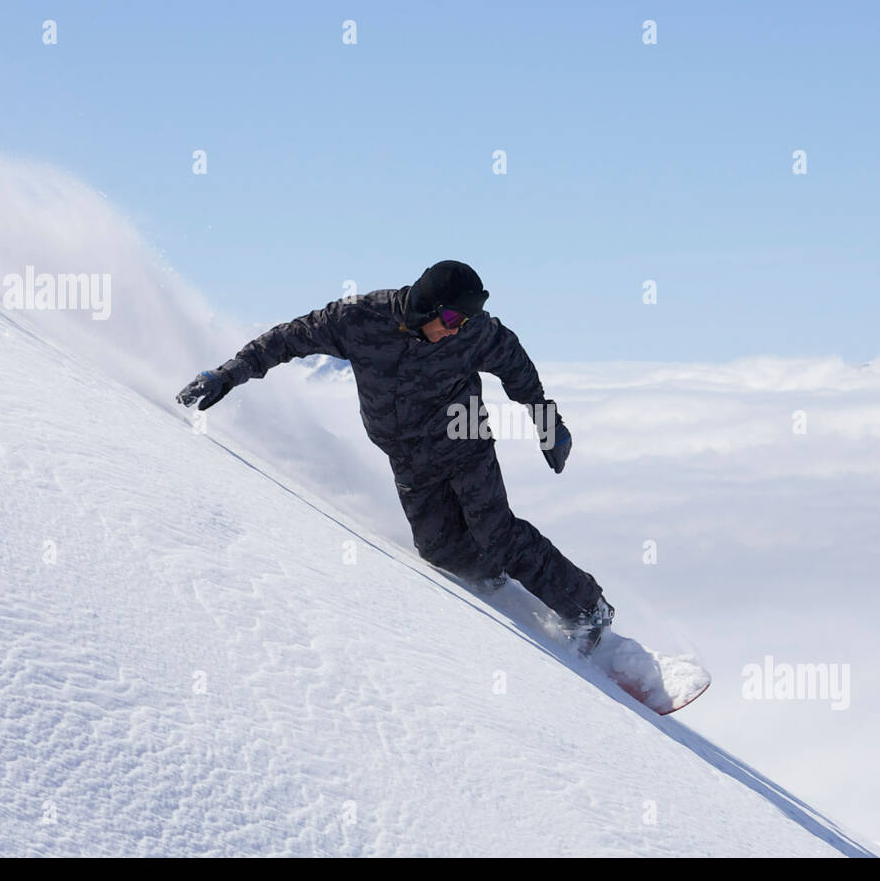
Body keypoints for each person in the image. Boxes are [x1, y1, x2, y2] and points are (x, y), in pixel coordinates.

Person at [177, 260, 614, 652]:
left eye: (466, 319)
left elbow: (515, 365)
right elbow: (288, 339)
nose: (458, 327)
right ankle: (493, 578)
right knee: (441, 552)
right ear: (427, 306)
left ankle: (586, 607)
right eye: (450, 317)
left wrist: (547, 421)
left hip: (464, 441)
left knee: (495, 530)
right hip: (408, 459)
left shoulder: (471, 332)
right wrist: (228, 374)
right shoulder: (358, 319)